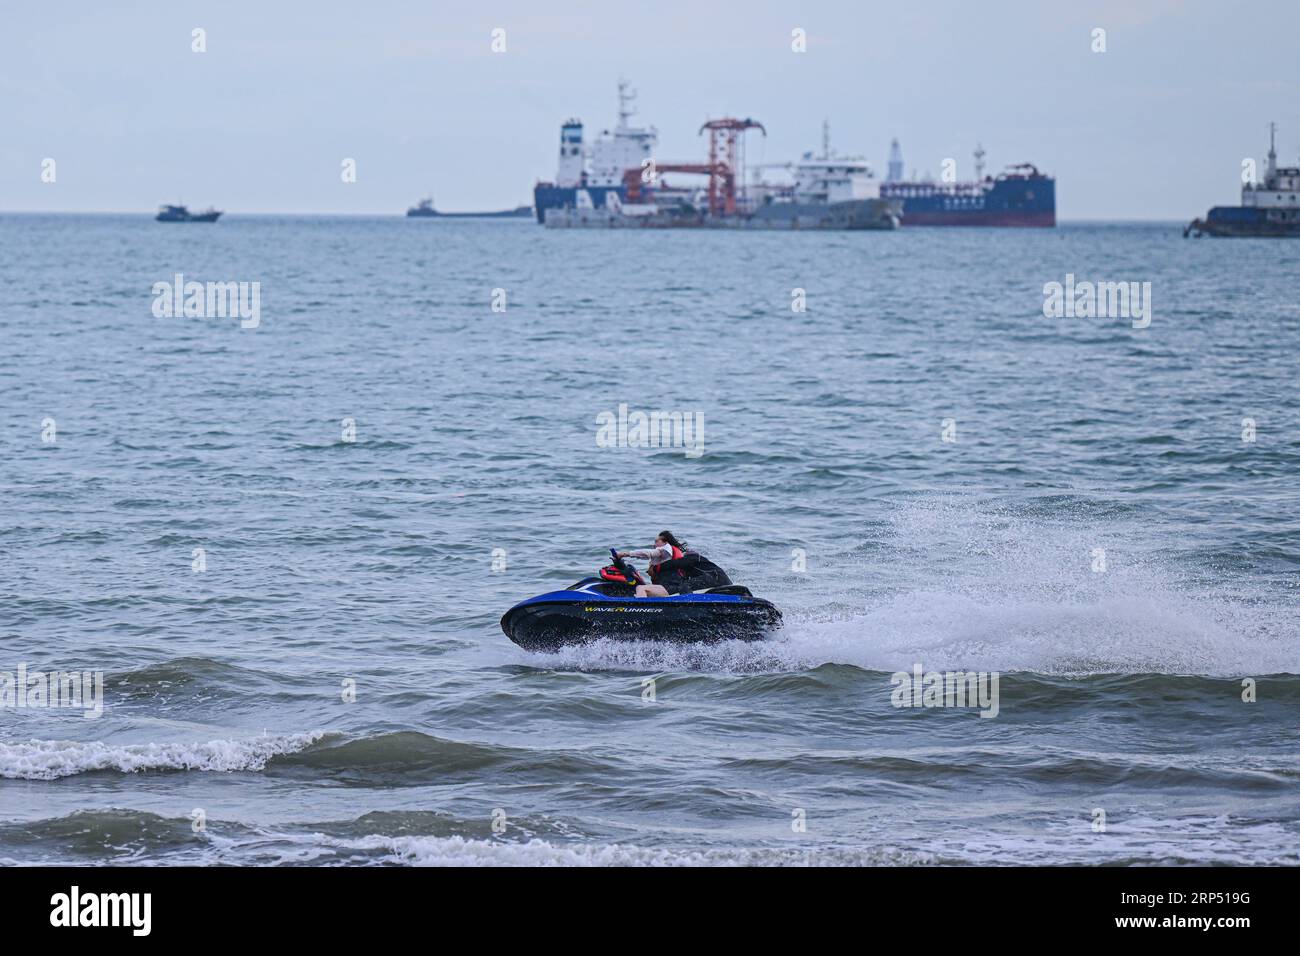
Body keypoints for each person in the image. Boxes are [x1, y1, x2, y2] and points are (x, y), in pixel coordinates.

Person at [616, 531, 733, 597]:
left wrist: (657, 568)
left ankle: (688, 610)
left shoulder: (690, 556)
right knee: (685, 585)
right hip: (715, 579)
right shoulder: (681, 565)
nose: (654, 544)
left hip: (716, 577)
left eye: (657, 541)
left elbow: (677, 563)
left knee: (685, 586)